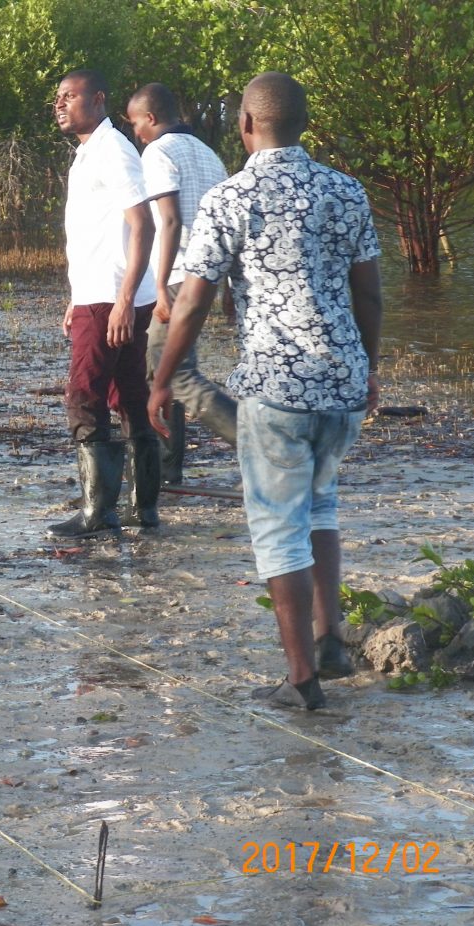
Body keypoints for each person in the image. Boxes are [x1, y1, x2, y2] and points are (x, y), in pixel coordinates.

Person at [149, 72, 382, 710]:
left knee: (280, 529)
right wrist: (369, 366)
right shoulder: (346, 190)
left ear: (246, 126)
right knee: (322, 504)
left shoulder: (232, 196)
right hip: (340, 385)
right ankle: (330, 637)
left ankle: (302, 679)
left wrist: (165, 376)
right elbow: (369, 292)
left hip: (277, 389)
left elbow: (193, 301)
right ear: (303, 124)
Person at [48, 69, 159, 538]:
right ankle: (142, 507)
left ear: (98, 99)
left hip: (113, 299)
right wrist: (76, 297)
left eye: (70, 97)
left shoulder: (113, 150)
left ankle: (99, 512)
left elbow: (144, 225)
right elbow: (95, 237)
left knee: (85, 395)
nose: (60, 105)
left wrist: (122, 301)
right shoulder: (88, 154)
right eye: (57, 98)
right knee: (130, 396)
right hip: (97, 297)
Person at [126, 82, 237, 483]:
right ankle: (166, 469)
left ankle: (256, 444)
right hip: (209, 274)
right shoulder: (210, 156)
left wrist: (158, 285)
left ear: (151, 118)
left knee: (172, 373)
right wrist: (226, 287)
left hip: (177, 276)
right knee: (163, 371)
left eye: (136, 123)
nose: (135, 133)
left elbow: (169, 222)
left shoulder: (158, 151)